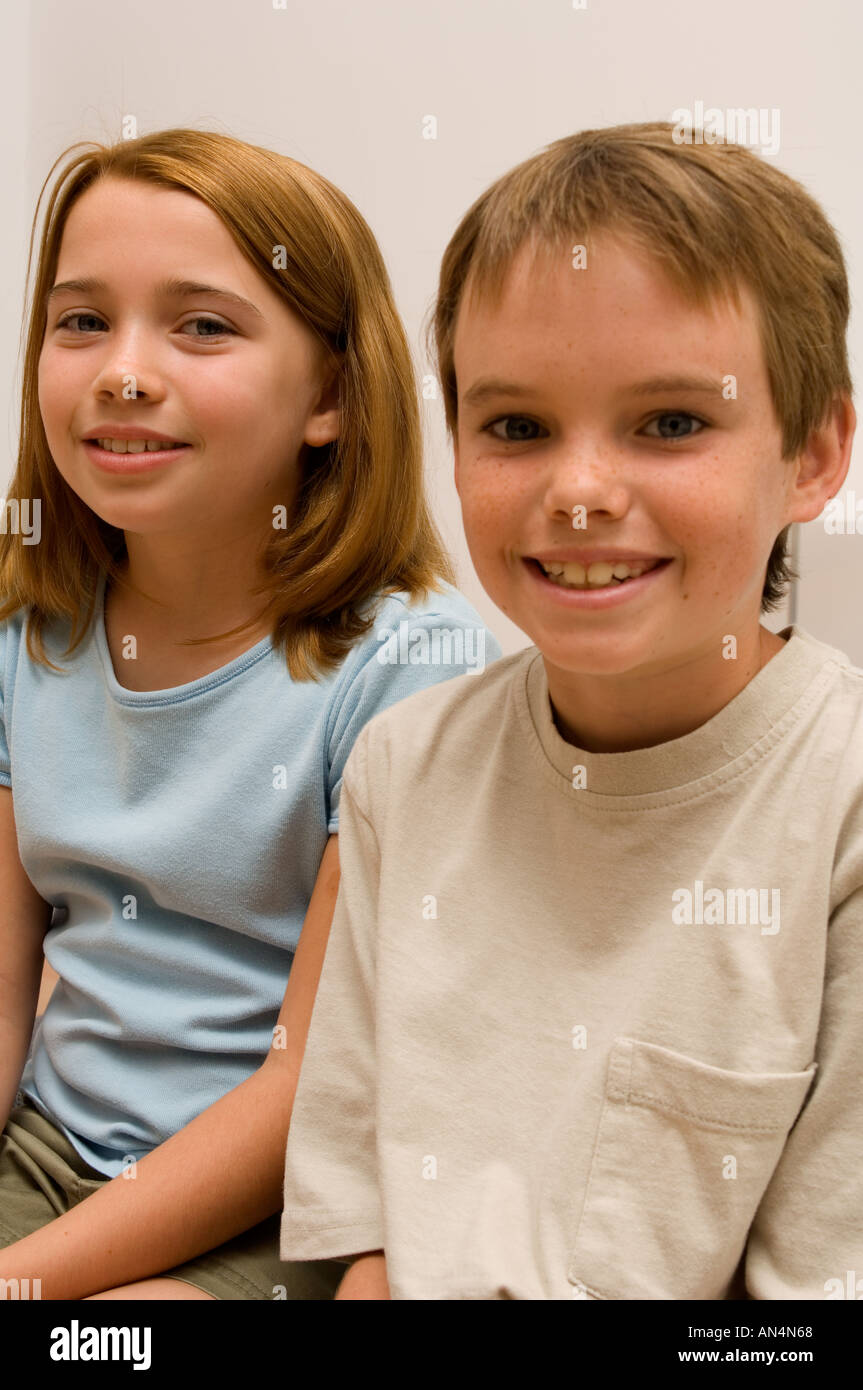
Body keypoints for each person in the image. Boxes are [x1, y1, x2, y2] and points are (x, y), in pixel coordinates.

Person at [279, 121, 862, 1299]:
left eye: (668, 423)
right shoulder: (404, 766)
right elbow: (354, 1217)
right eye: (515, 427)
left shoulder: (836, 807)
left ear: (810, 453)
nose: (579, 491)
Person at [0, 126, 500, 1301]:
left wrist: (19, 1284)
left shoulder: (409, 669)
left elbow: (307, 1084)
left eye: (202, 325)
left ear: (326, 394)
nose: (123, 369)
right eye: (81, 321)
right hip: (45, 1153)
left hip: (267, 1210)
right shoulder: (29, 631)